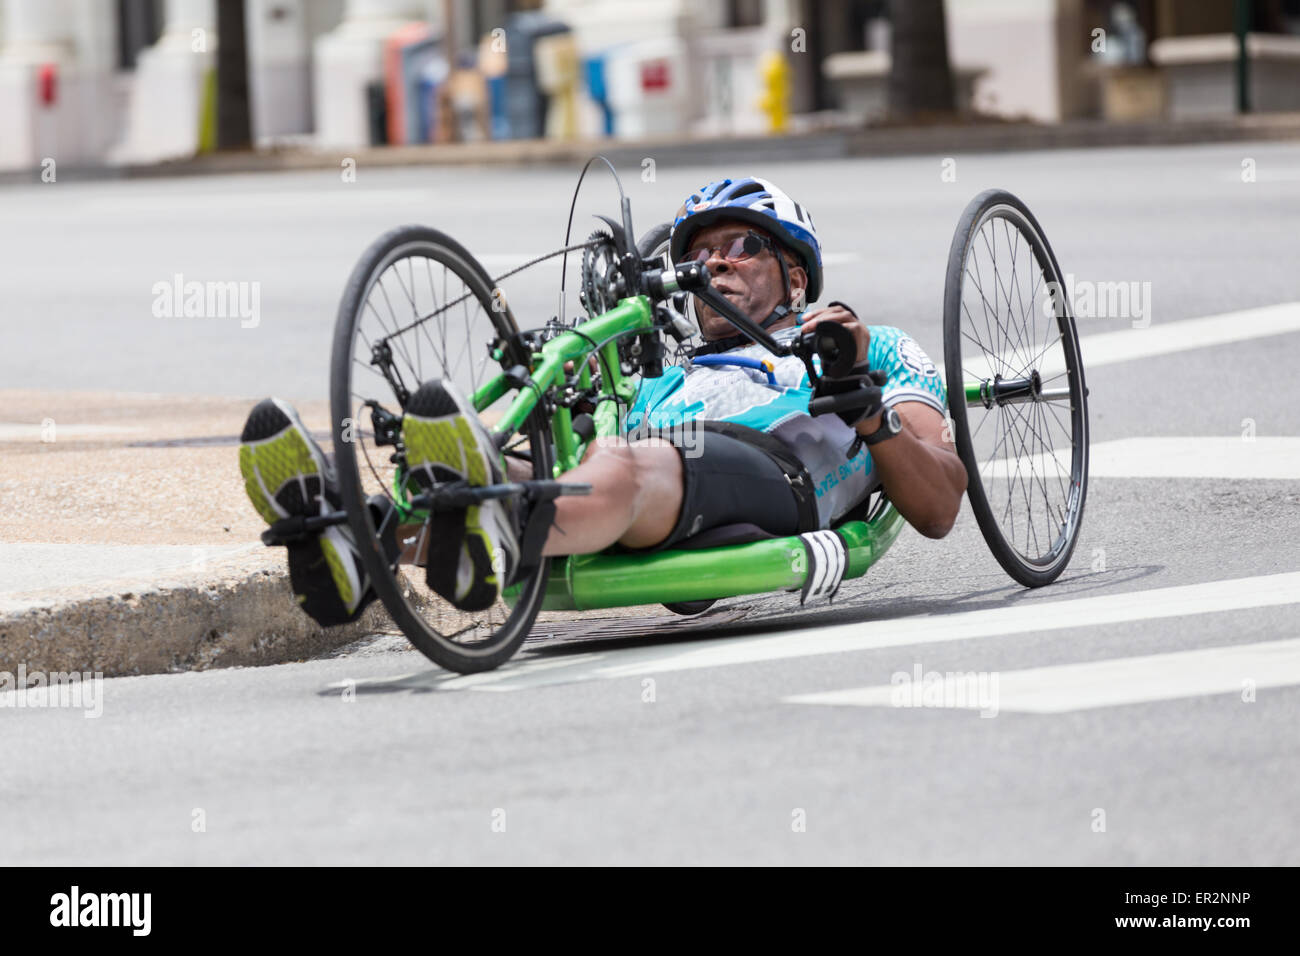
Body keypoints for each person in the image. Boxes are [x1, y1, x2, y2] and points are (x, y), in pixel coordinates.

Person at [238, 177, 967, 624]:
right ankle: (351, 535)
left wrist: (866, 407)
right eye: (699, 254)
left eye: (740, 245)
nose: (713, 262)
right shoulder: (661, 372)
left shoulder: (860, 342)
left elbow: (938, 504)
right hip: (652, 483)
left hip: (777, 472)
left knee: (626, 463)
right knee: (529, 469)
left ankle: (489, 530)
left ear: (796, 274)